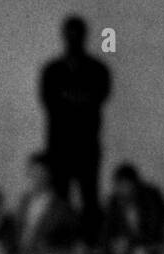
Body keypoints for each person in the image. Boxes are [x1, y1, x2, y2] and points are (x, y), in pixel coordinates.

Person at [38, 14, 112, 237]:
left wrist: (69, 99)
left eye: (77, 34)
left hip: (87, 146)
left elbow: (98, 96)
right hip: (59, 147)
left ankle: (91, 248)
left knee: (90, 198)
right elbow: (49, 100)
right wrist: (78, 100)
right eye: (69, 34)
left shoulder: (97, 69)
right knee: (60, 201)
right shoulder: (52, 70)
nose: (73, 39)